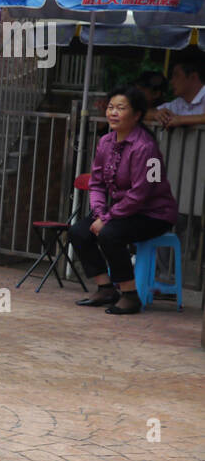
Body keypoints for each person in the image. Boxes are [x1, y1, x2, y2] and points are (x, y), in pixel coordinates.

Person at [71, 86, 178, 315]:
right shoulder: (105, 142)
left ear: (137, 115)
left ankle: (130, 295)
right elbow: (97, 182)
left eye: (121, 108)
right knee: (79, 231)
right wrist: (100, 213)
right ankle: (106, 288)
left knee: (110, 234)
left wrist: (107, 218)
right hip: (123, 211)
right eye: (111, 107)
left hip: (153, 213)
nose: (113, 113)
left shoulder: (146, 148)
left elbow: (141, 195)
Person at [148, 55, 205, 128]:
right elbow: (142, 114)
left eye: (176, 75)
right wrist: (156, 114)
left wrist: (181, 119)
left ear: (193, 77)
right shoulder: (178, 103)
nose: (172, 81)